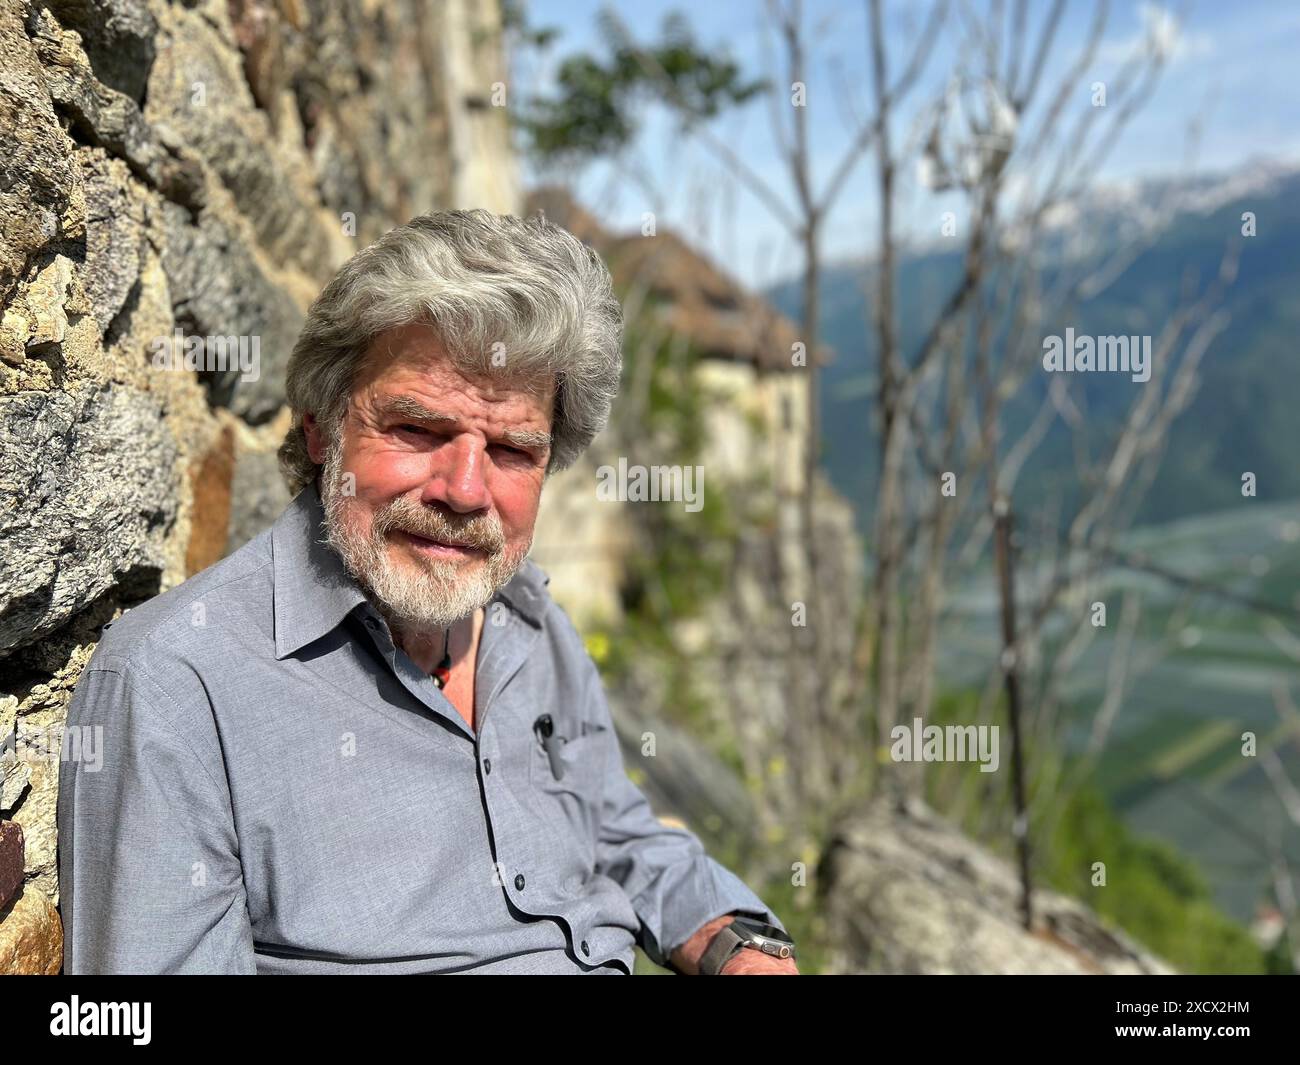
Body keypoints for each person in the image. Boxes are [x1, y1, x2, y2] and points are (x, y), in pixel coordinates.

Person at [58, 209, 798, 975]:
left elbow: (612, 828)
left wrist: (734, 940)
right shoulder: (177, 683)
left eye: (512, 449)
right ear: (322, 429)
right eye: (417, 429)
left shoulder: (529, 621)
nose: (466, 490)